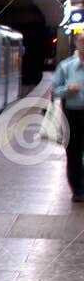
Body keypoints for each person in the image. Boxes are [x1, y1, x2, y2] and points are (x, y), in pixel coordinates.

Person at [57, 34, 84, 202]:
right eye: (82, 41)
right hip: (72, 114)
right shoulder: (66, 66)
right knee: (73, 153)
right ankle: (78, 191)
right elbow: (55, 89)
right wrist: (67, 90)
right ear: (76, 44)